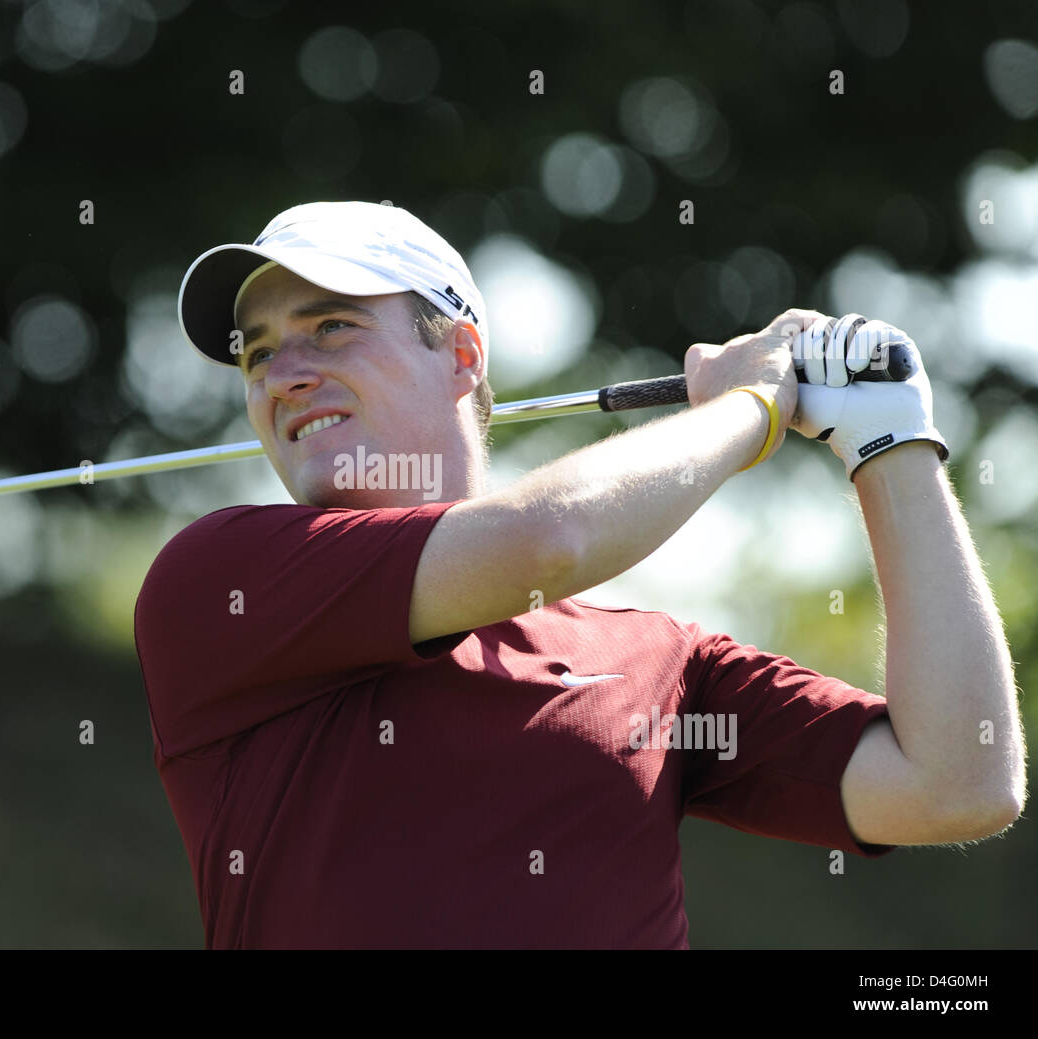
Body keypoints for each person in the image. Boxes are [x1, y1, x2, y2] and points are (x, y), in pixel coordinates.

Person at [134, 200, 1024, 949]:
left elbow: (960, 782)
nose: (284, 375)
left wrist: (892, 444)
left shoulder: (659, 660)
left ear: (462, 357)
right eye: (257, 354)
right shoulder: (218, 583)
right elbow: (548, 541)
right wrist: (751, 407)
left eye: (331, 326)